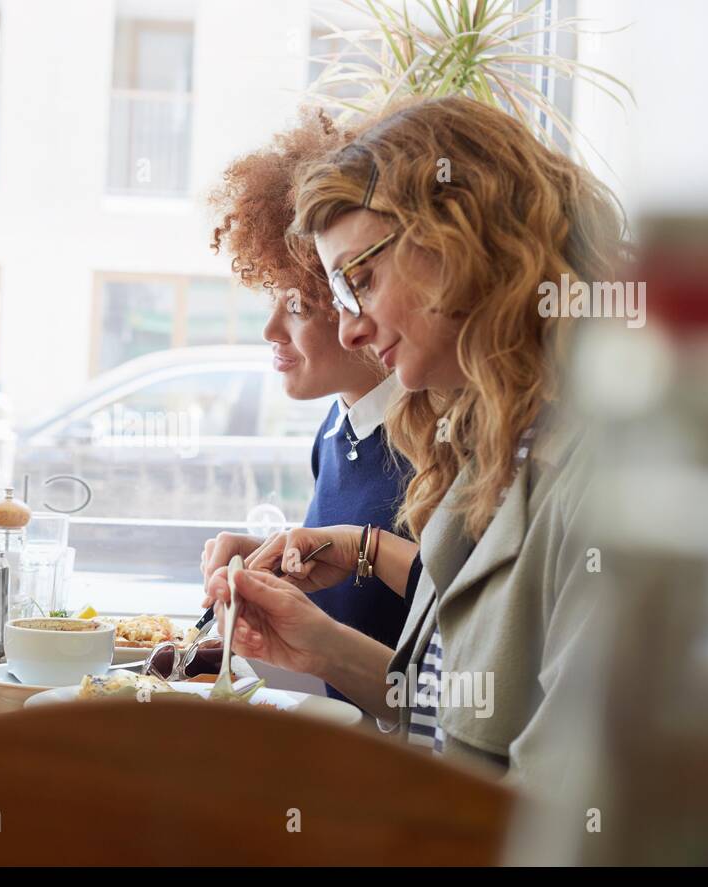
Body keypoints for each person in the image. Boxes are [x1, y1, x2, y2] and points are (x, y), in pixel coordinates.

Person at [204, 96, 627, 782]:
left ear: (461, 241)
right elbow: (451, 717)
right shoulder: (488, 453)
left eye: (360, 283)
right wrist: (320, 649)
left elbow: (562, 817)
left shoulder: (608, 478)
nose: (350, 330)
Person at [202, 110, 415, 703]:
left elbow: (452, 696)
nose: (271, 329)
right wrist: (273, 561)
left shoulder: (444, 443)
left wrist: (356, 549)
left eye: (296, 305)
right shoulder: (337, 429)